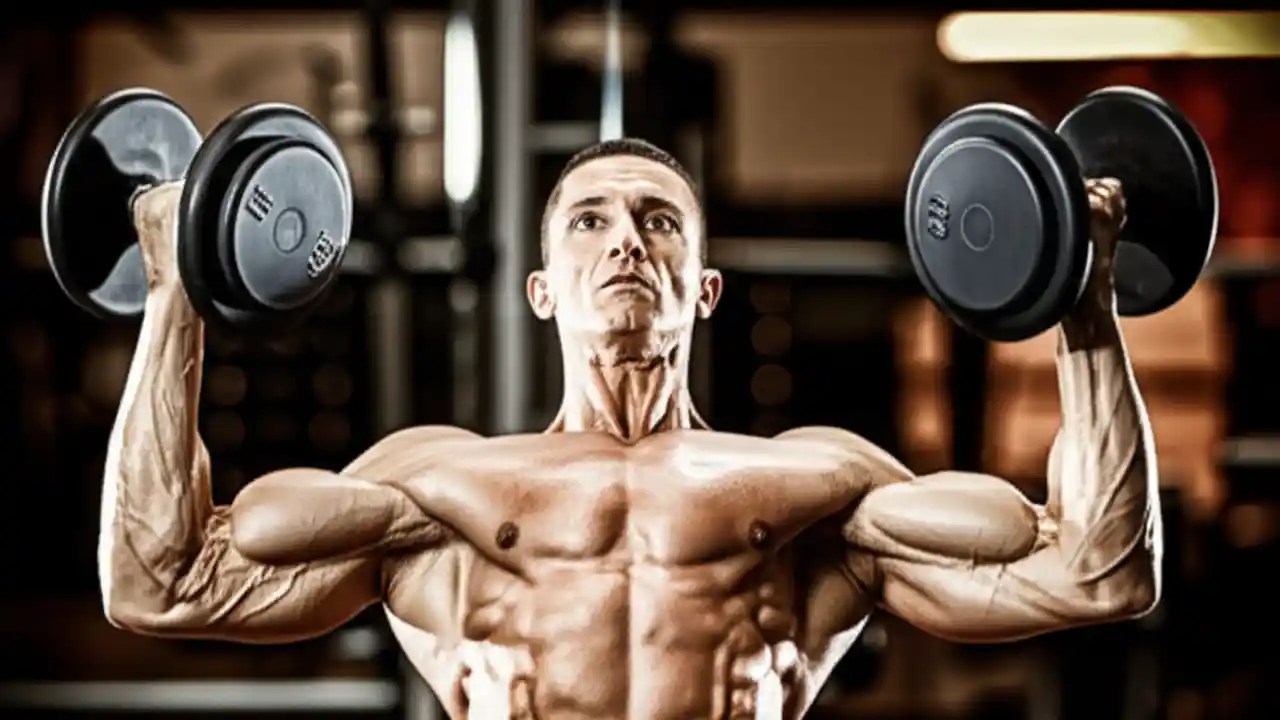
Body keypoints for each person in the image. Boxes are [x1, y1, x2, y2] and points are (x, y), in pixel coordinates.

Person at [100, 138, 1160, 719]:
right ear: (540, 290)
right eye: (589, 222)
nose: (624, 244)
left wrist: (1084, 295)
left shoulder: (816, 491)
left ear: (703, 291)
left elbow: (1099, 571)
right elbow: (159, 579)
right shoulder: (435, 490)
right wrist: (171, 290)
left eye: (657, 222)